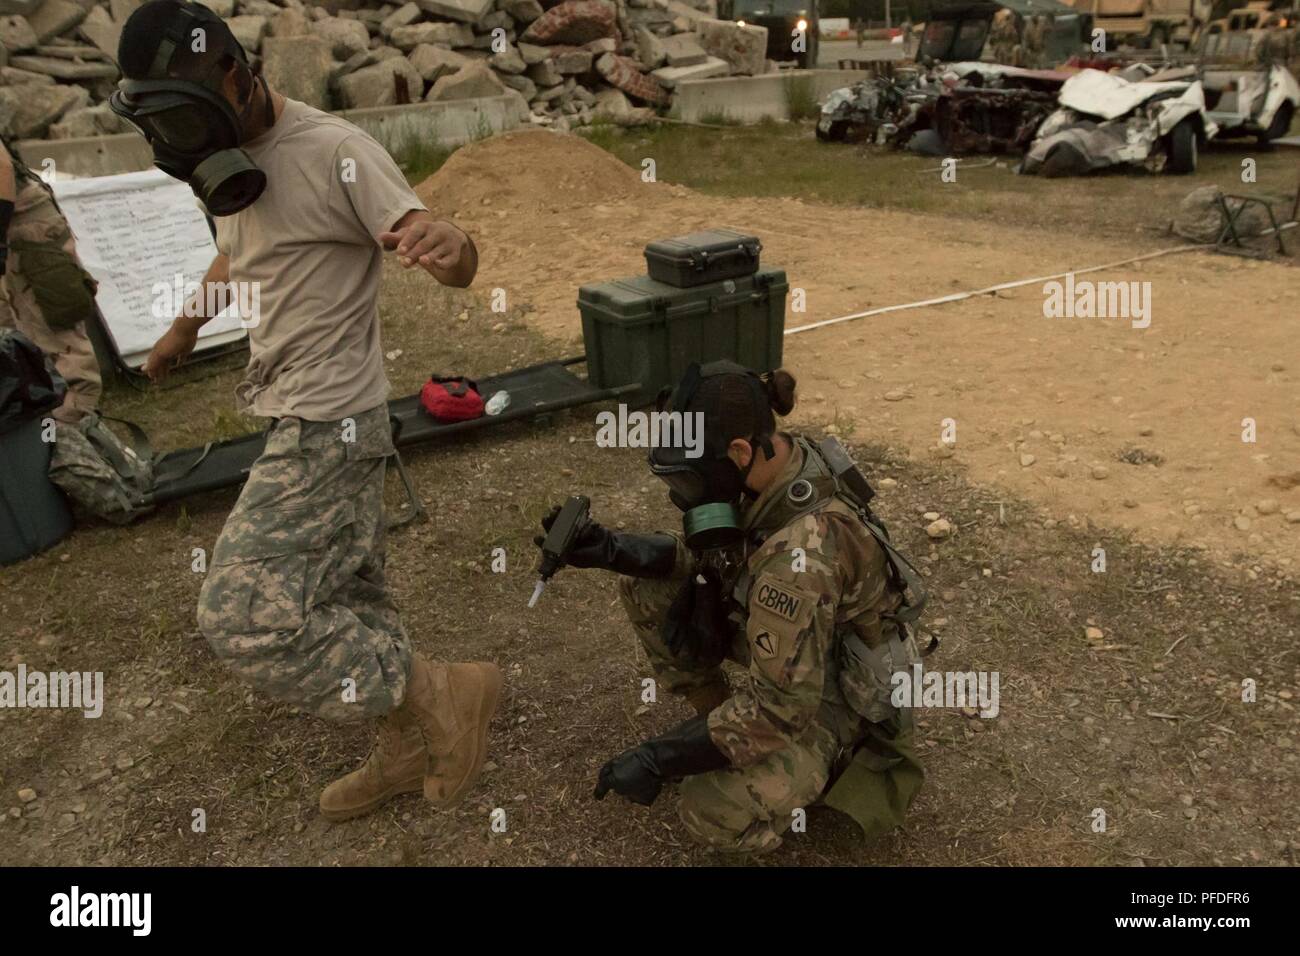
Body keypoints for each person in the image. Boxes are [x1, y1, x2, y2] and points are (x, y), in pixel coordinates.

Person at [112, 0, 501, 821]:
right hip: (300, 412)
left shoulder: (337, 153)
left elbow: (444, 249)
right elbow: (242, 244)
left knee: (240, 614)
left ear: (232, 72)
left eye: (191, 117)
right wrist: (185, 326)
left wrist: (450, 242)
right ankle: (404, 745)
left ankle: (442, 693)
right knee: (348, 599)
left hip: (333, 423)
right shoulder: (223, 158)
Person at [537, 362, 928, 853]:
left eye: (691, 481)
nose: (684, 497)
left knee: (710, 807)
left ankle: (828, 761)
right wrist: (615, 550)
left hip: (835, 701)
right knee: (646, 587)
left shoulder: (799, 560)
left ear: (739, 452)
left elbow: (780, 711)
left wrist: (661, 758)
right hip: (804, 645)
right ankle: (720, 718)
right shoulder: (780, 462)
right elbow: (722, 557)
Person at [0, 136, 102, 425]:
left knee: (60, 348)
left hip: (24, 227)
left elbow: (1, 168)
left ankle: (75, 443)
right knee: (10, 347)